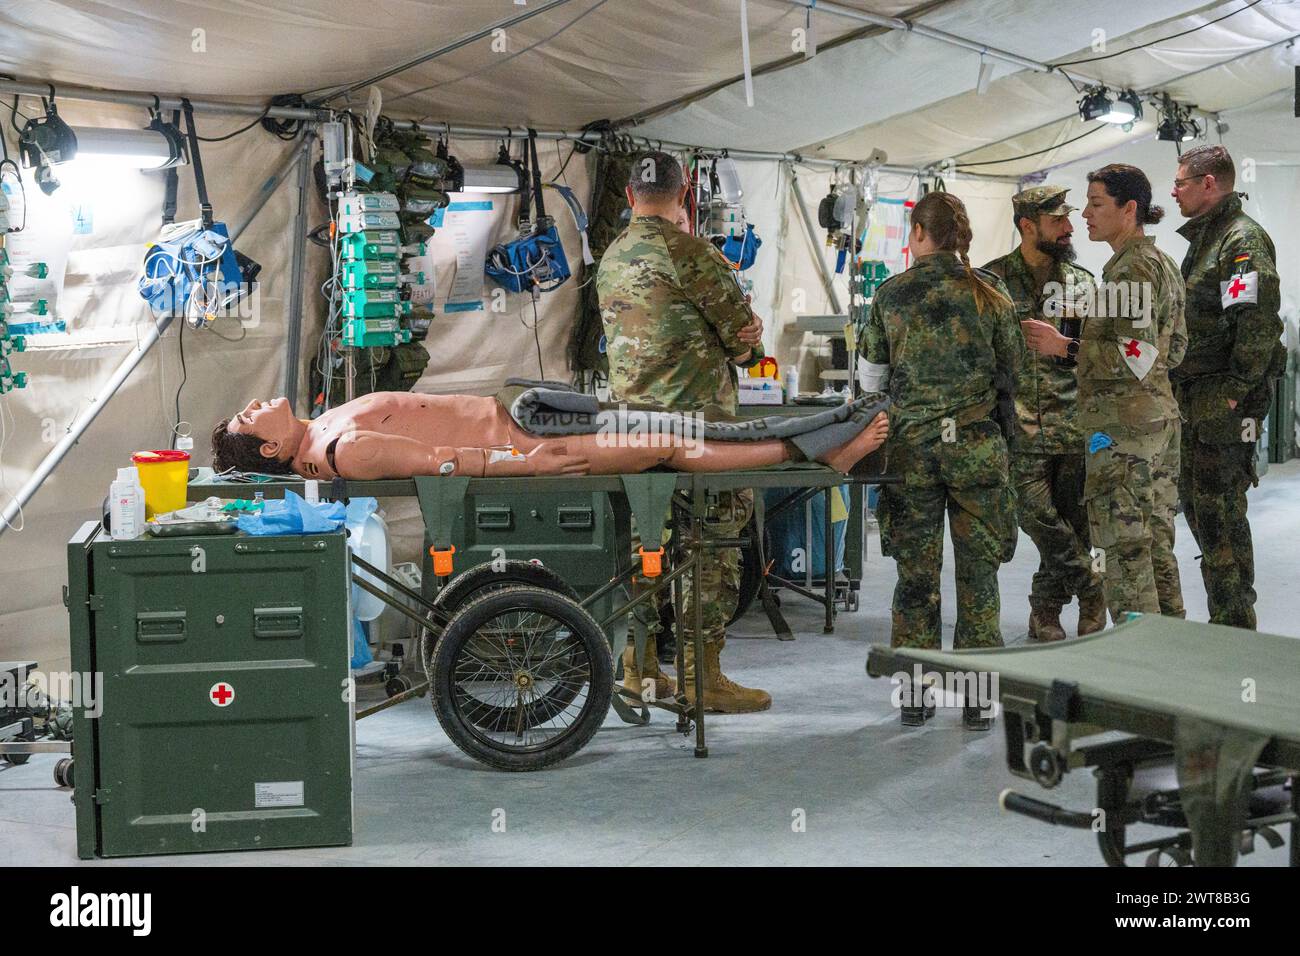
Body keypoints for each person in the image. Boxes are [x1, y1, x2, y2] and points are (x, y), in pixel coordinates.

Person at [596, 150, 769, 712]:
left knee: (647, 547)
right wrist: (751, 338)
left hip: (632, 433)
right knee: (710, 546)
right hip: (699, 435)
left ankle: (639, 671)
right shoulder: (695, 254)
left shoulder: (612, 257)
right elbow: (745, 349)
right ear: (686, 190)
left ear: (628, 196)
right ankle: (703, 678)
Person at [860, 191, 1022, 730]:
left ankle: (914, 692)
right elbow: (1012, 374)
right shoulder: (992, 294)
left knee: (915, 574)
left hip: (911, 454)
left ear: (919, 234)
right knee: (979, 572)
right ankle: (977, 697)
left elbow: (871, 385)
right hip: (975, 452)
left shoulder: (890, 296)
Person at [1023, 164, 1186, 622]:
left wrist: (1067, 346)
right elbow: (1175, 351)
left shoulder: (1130, 271)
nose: (1086, 216)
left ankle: (1139, 673)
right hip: (1158, 424)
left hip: (1124, 436)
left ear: (1129, 209)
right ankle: (1175, 655)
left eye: (1097, 205)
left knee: (1125, 555)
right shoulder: (1162, 264)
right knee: (1154, 549)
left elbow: (1139, 357)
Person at [211, 393, 889, 480]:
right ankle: (824, 453)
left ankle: (824, 433)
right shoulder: (341, 449)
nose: (254, 404)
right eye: (250, 419)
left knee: (687, 429)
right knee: (674, 443)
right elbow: (453, 461)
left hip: (531, 417)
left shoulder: (322, 428)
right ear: (272, 449)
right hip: (533, 440)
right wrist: (539, 463)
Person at [983, 186, 1106, 642]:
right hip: (1018, 427)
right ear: (1028, 226)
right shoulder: (990, 283)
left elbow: (1097, 355)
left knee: (1075, 522)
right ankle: (1092, 589)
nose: (1071, 228)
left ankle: (1045, 612)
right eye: (1058, 221)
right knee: (1036, 516)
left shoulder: (1083, 282)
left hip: (1074, 424)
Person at [1169, 145, 1284, 630]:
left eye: (1182, 182)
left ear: (1210, 183)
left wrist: (1234, 391)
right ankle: (1227, 620)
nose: (1173, 190)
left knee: (1221, 517)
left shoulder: (1239, 242)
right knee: (1202, 511)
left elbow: (1255, 323)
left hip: (1221, 404)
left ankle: (1236, 626)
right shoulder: (1209, 239)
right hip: (1199, 401)